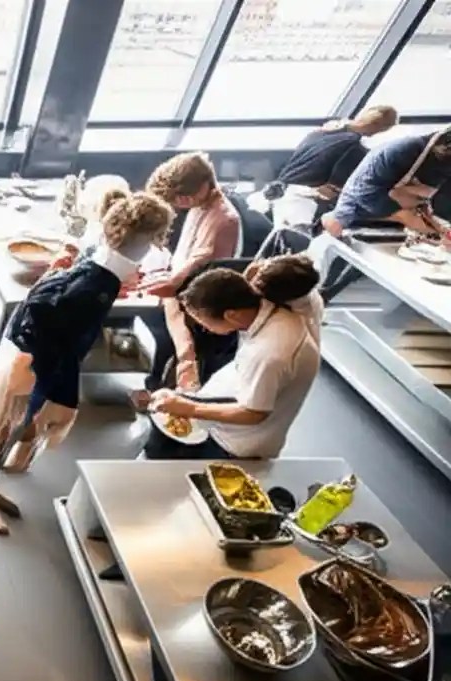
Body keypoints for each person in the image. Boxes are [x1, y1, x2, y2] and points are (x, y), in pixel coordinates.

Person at [0, 190, 175, 534]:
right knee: (1, 426)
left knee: (7, 426)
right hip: (30, 363)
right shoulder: (95, 286)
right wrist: (59, 388)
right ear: (146, 240)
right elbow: (52, 324)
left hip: (27, 354)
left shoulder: (98, 261)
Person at [146, 257, 322, 460]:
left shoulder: (271, 353)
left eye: (205, 322)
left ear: (231, 315)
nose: (204, 328)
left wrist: (189, 408)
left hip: (236, 444)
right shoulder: (262, 301)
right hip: (227, 400)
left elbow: (254, 413)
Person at [133, 152, 242, 408]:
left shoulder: (225, 219)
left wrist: (168, 283)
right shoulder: (200, 206)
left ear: (190, 194)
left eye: (178, 199)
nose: (178, 204)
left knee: (167, 343)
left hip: (200, 301)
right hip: (182, 286)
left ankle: (167, 399)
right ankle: (157, 389)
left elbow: (203, 268)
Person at [323, 125, 451, 240]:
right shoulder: (402, 150)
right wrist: (407, 218)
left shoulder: (442, 165)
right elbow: (365, 191)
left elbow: (428, 203)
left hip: (397, 220)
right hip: (356, 213)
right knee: (333, 228)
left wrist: (439, 228)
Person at [277, 106, 399, 201]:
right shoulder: (353, 145)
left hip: (282, 190)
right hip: (304, 199)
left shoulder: (319, 133)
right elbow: (343, 186)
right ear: (379, 127)